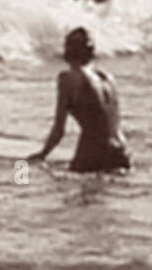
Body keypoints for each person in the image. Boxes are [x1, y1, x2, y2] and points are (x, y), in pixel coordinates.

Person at [30, 27, 127, 171]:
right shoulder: (107, 78)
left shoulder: (67, 79)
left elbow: (59, 130)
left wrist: (42, 155)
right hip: (120, 149)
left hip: (93, 152)